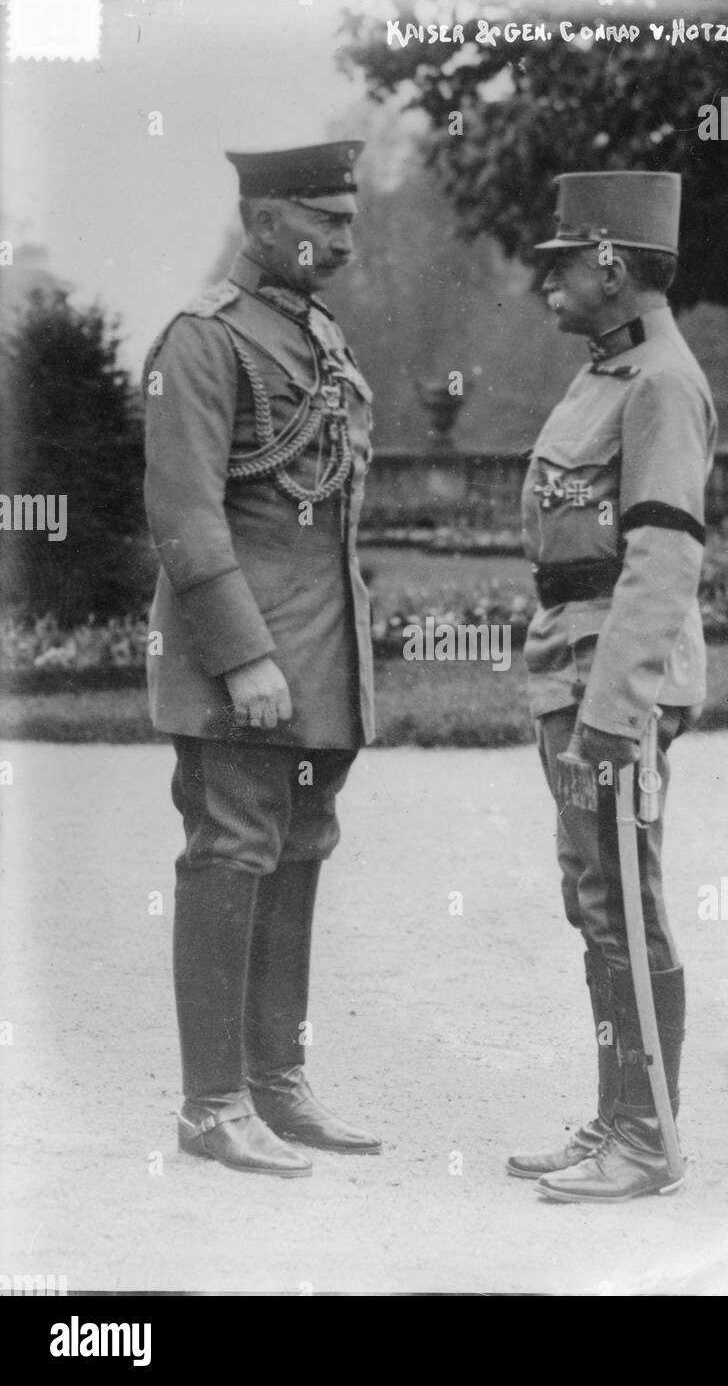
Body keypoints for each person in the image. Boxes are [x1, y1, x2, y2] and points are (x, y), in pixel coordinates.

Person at [143, 141, 380, 1176]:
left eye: (347, 218)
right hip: (246, 665)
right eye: (322, 218)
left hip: (320, 661)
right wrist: (244, 656)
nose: (341, 237)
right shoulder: (202, 341)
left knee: (297, 851)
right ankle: (210, 1103)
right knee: (231, 852)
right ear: (264, 220)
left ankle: (275, 1082)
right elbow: (187, 516)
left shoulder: (316, 335)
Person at [507, 171, 717, 1202]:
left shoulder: (660, 383)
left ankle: (646, 1137)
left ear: (609, 264)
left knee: (624, 896)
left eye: (559, 265)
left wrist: (614, 708)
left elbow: (664, 557)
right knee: (594, 895)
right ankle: (616, 1116)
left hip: (608, 672)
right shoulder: (608, 373)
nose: (544, 284)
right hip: (572, 656)